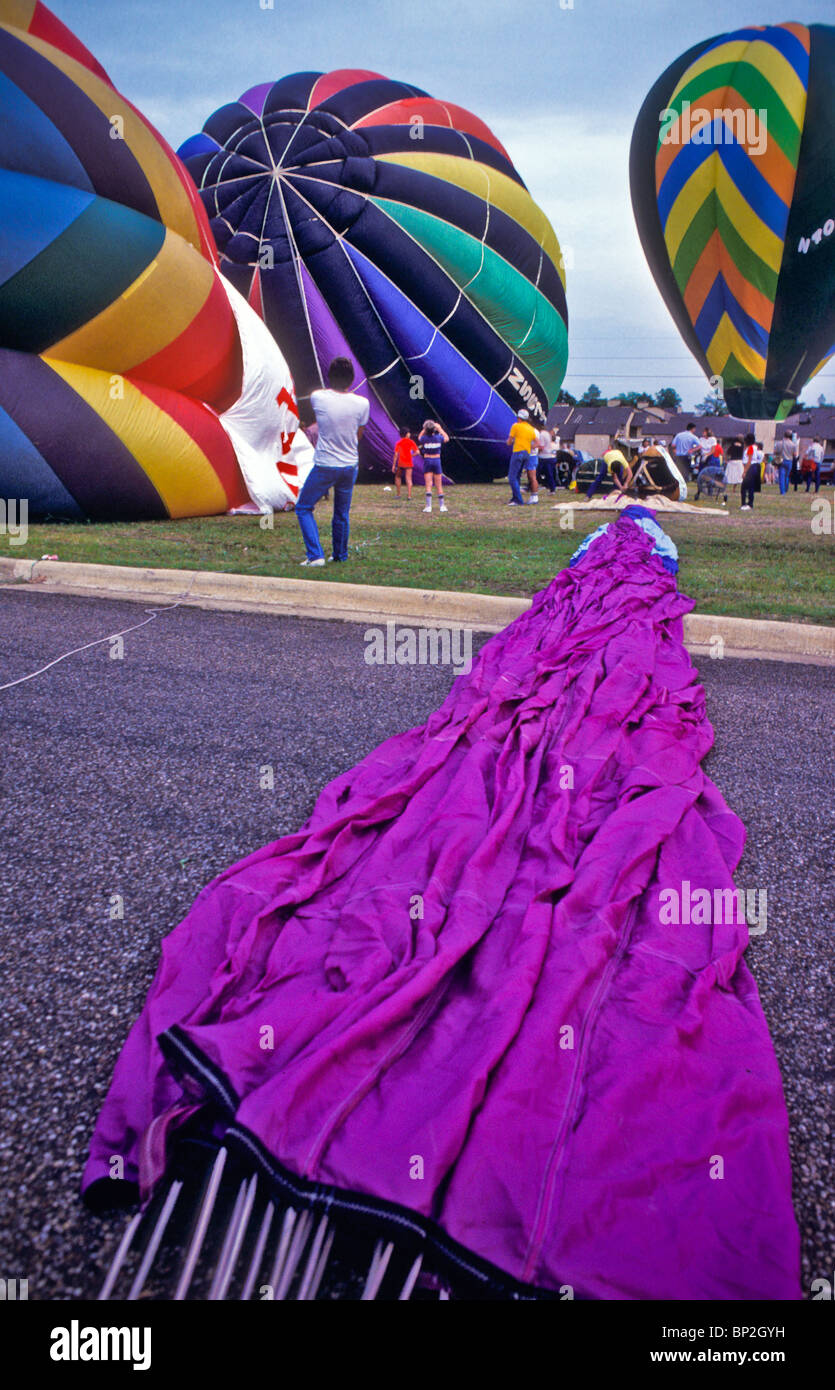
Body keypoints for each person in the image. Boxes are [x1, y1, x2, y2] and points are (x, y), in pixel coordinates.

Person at [295, 357, 369, 566]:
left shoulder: (318, 397)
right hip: (349, 464)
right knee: (341, 513)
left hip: (326, 463)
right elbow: (359, 436)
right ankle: (339, 555)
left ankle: (315, 555)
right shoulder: (362, 403)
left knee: (304, 507)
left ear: (329, 377)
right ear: (352, 379)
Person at [506, 409, 539, 505]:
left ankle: (518, 500)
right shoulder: (531, 429)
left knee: (512, 477)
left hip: (518, 452)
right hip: (527, 454)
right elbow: (537, 442)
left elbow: (509, 441)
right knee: (517, 476)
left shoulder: (515, 426)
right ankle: (514, 497)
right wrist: (529, 446)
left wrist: (509, 442)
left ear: (519, 418)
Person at [418, 420, 449, 513]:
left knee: (428, 484)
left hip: (427, 460)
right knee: (439, 485)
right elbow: (447, 438)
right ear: (434, 430)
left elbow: (419, 437)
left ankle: (428, 506)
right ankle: (442, 506)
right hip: (436, 461)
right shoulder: (438, 438)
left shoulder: (424, 439)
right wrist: (440, 428)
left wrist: (424, 429)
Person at [392, 428, 418, 499]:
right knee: (408, 478)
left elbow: (396, 455)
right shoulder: (411, 442)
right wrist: (411, 455)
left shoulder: (399, 443)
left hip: (401, 463)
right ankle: (409, 495)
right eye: (409, 433)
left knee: (397, 477)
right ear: (407, 434)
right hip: (409, 463)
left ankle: (398, 494)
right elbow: (417, 452)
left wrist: (394, 465)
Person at [740, 433, 762, 510]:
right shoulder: (754, 447)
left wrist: (744, 472)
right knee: (750, 487)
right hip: (754, 467)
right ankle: (749, 503)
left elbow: (749, 461)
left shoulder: (750, 448)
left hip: (751, 467)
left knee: (744, 487)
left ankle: (746, 503)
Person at [537, 426, 557, 493]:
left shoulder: (542, 434)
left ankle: (531, 487)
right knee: (550, 474)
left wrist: (535, 449)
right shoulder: (547, 434)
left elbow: (541, 447)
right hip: (549, 456)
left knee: (536, 473)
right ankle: (552, 489)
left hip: (543, 457)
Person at [778, 431, 797, 495]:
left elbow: (775, 451)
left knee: (781, 476)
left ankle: (782, 491)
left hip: (782, 460)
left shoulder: (780, 443)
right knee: (787, 476)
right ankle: (786, 488)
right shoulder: (793, 444)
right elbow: (795, 454)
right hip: (789, 461)